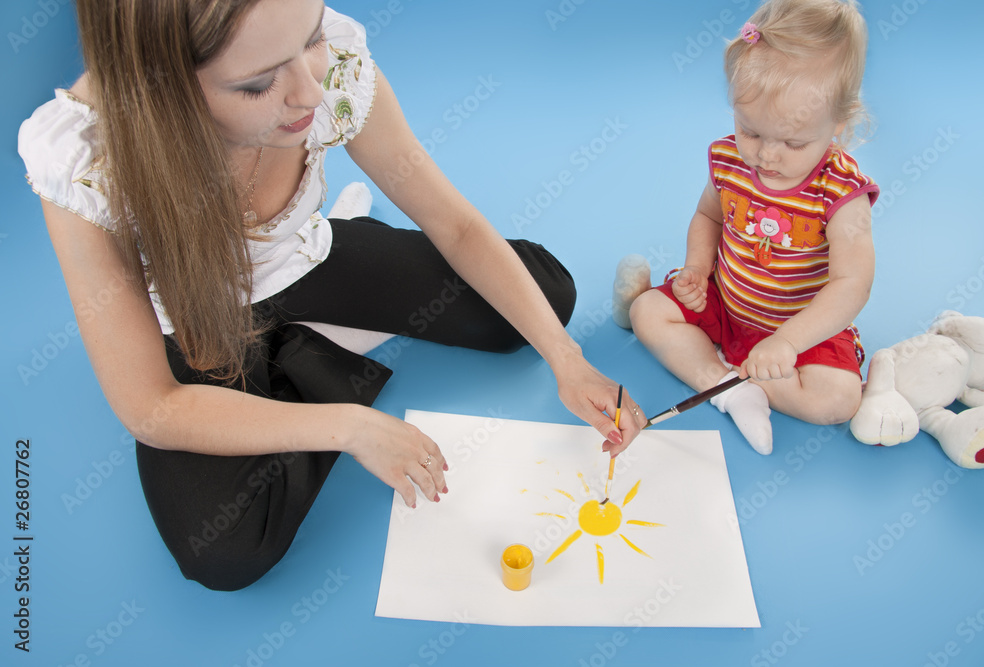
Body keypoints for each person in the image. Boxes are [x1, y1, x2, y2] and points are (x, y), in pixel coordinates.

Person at [18, 0, 646, 591]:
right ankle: (307, 354)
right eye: (258, 84)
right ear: (166, 90)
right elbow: (148, 407)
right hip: (197, 328)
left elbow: (453, 223)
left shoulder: (323, 62)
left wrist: (568, 360)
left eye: (312, 36)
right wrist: (350, 428)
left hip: (302, 262)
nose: (311, 91)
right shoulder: (85, 159)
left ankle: (300, 344)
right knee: (228, 548)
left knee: (542, 296)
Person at [616, 0, 878, 455]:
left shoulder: (840, 192)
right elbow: (708, 216)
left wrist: (789, 341)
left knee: (838, 400)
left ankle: (729, 370)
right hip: (729, 303)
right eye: (750, 130)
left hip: (801, 329)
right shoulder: (730, 159)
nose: (766, 155)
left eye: (793, 142)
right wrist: (696, 268)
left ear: (840, 122)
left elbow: (852, 284)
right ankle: (730, 388)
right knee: (647, 314)